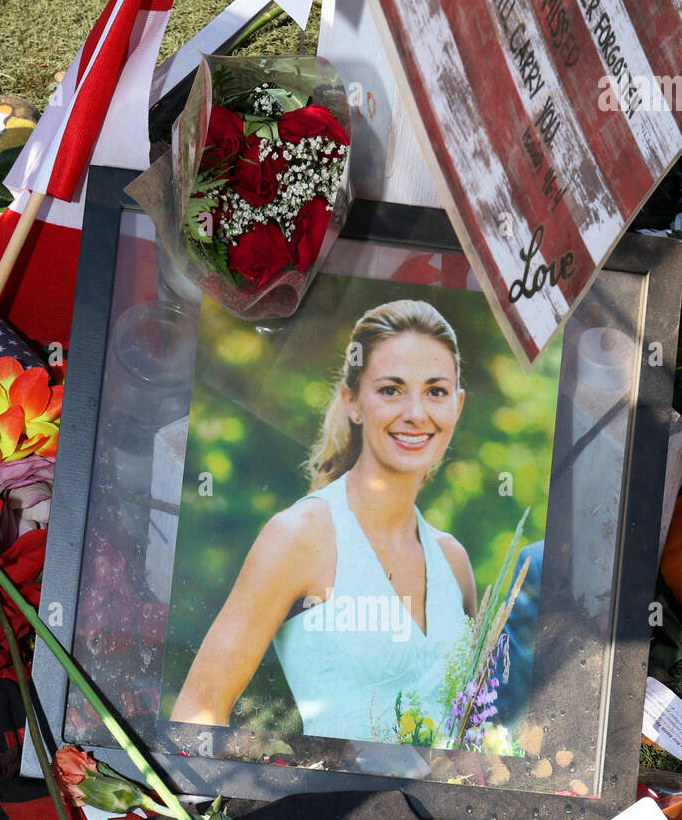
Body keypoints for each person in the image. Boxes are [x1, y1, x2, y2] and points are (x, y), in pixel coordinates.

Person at [170, 299, 477, 742]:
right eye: (391, 389)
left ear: (457, 406)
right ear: (352, 402)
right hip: (336, 810)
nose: (415, 412)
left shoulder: (454, 562)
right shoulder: (301, 535)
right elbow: (198, 710)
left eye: (436, 391)